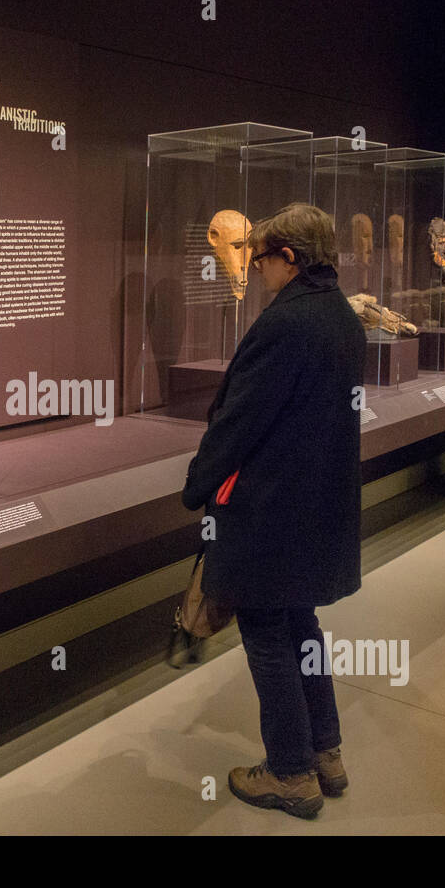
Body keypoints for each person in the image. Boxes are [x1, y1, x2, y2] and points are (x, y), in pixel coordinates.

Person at [181, 203, 365, 819]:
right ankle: (325, 753)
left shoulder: (286, 323)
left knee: (265, 632)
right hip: (314, 507)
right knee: (300, 623)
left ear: (289, 258)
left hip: (270, 509)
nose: (256, 270)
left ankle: (289, 773)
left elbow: (240, 420)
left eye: (260, 259)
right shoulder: (340, 315)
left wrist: (198, 483)